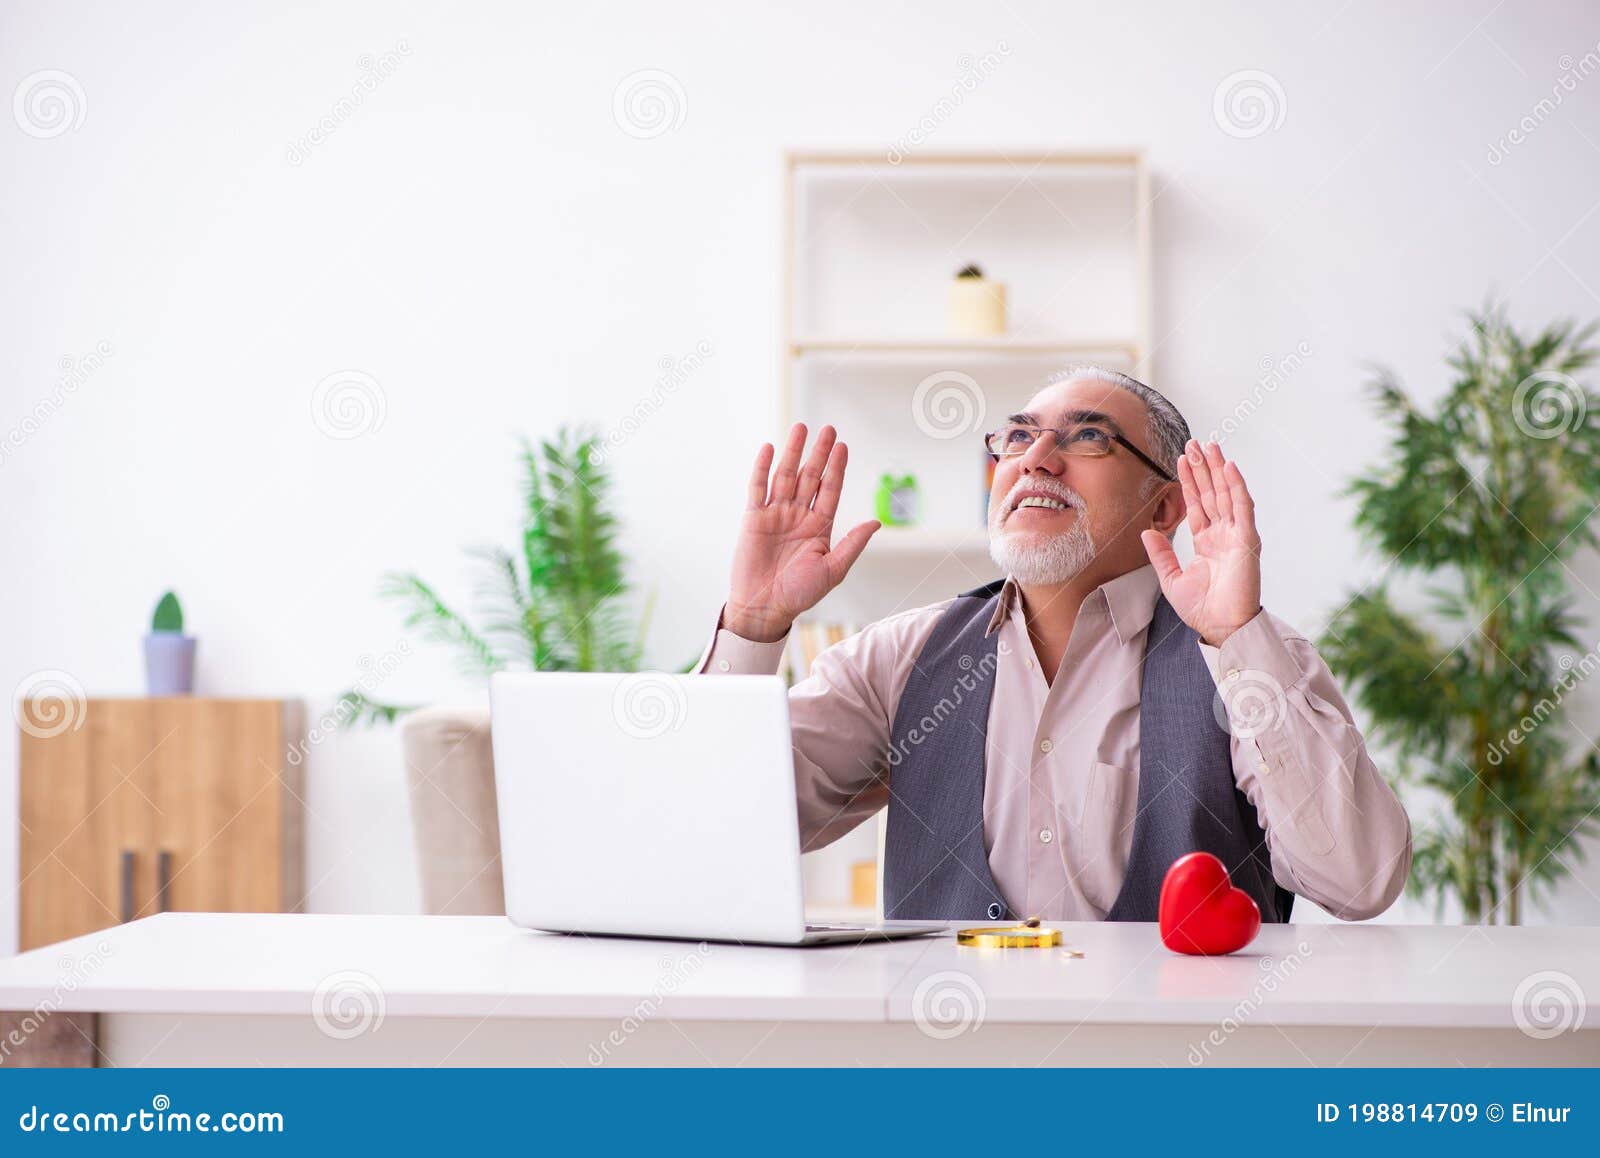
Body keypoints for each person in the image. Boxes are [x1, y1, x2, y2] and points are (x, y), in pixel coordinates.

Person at [698, 365, 1412, 922]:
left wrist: (1237, 639)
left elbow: (1359, 880)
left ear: (1164, 505)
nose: (1036, 458)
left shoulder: (1245, 656)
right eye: (1017, 437)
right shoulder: (898, 658)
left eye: (1087, 436)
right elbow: (719, 832)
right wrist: (753, 625)